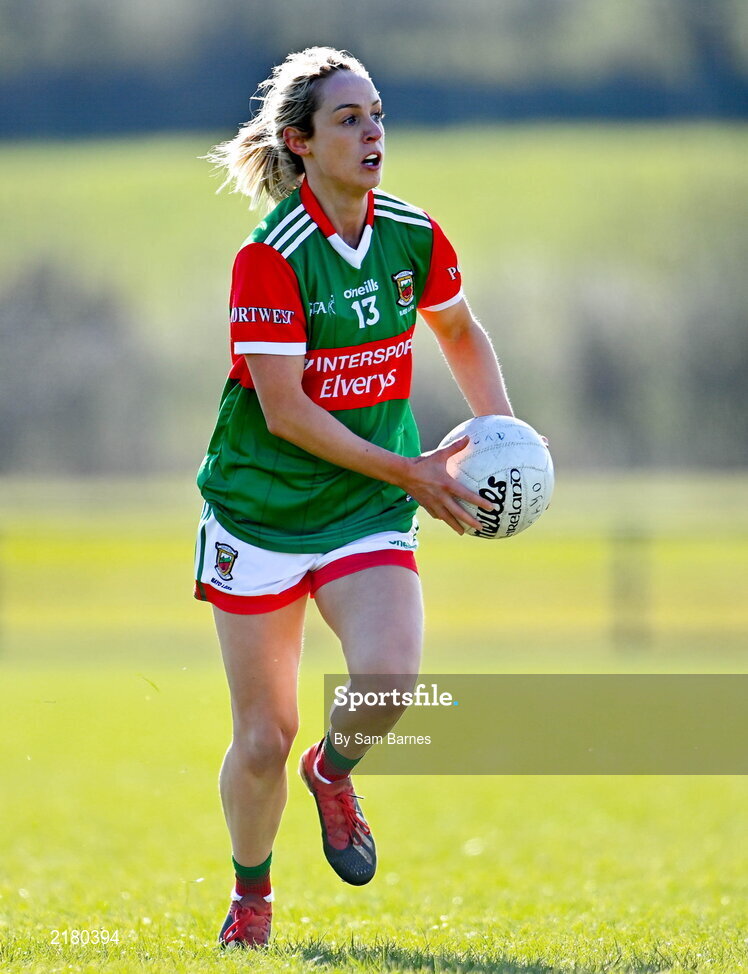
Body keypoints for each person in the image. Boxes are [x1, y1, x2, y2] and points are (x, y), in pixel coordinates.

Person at [194, 46, 514, 948]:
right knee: (262, 735)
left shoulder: (412, 233)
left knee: (389, 684)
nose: (372, 132)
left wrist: (501, 438)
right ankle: (251, 900)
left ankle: (332, 775)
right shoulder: (271, 257)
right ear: (299, 143)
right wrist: (415, 470)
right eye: (347, 119)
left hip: (363, 508)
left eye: (376, 114)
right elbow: (286, 411)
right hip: (259, 510)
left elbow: (458, 328)